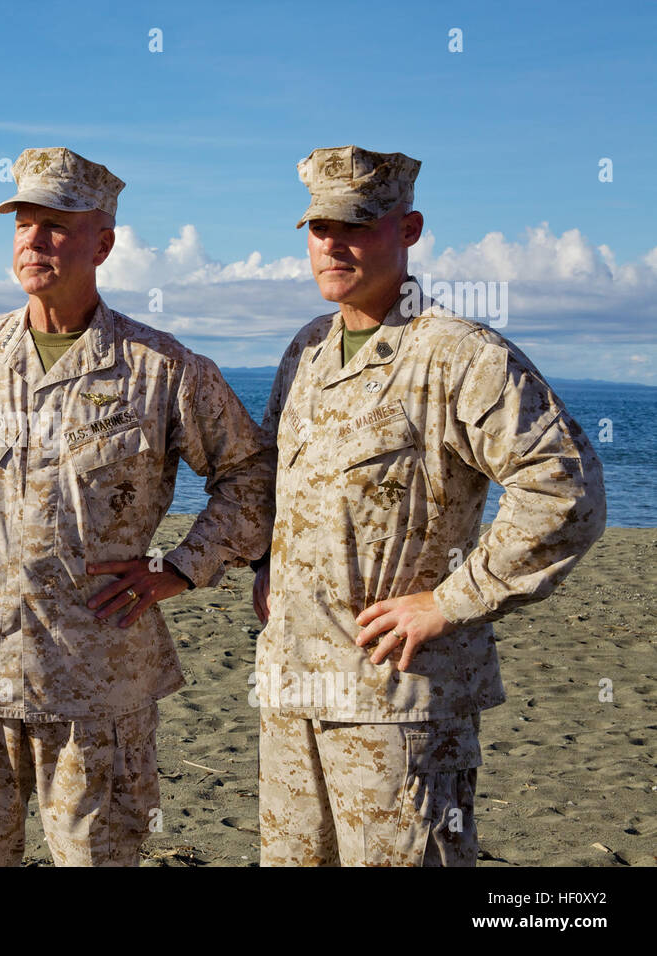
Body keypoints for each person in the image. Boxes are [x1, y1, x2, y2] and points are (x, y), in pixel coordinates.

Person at [0, 146, 274, 866]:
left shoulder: (163, 369)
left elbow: (248, 474)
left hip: (99, 686)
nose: (34, 241)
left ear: (104, 243)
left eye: (57, 226)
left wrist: (183, 569)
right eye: (24, 223)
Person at [251, 144, 607, 866]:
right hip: (292, 693)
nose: (333, 243)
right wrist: (263, 563)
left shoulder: (459, 354)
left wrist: (450, 601)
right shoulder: (306, 352)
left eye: (358, 224)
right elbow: (274, 482)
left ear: (408, 230)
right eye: (320, 228)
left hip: (397, 705)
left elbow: (566, 489)